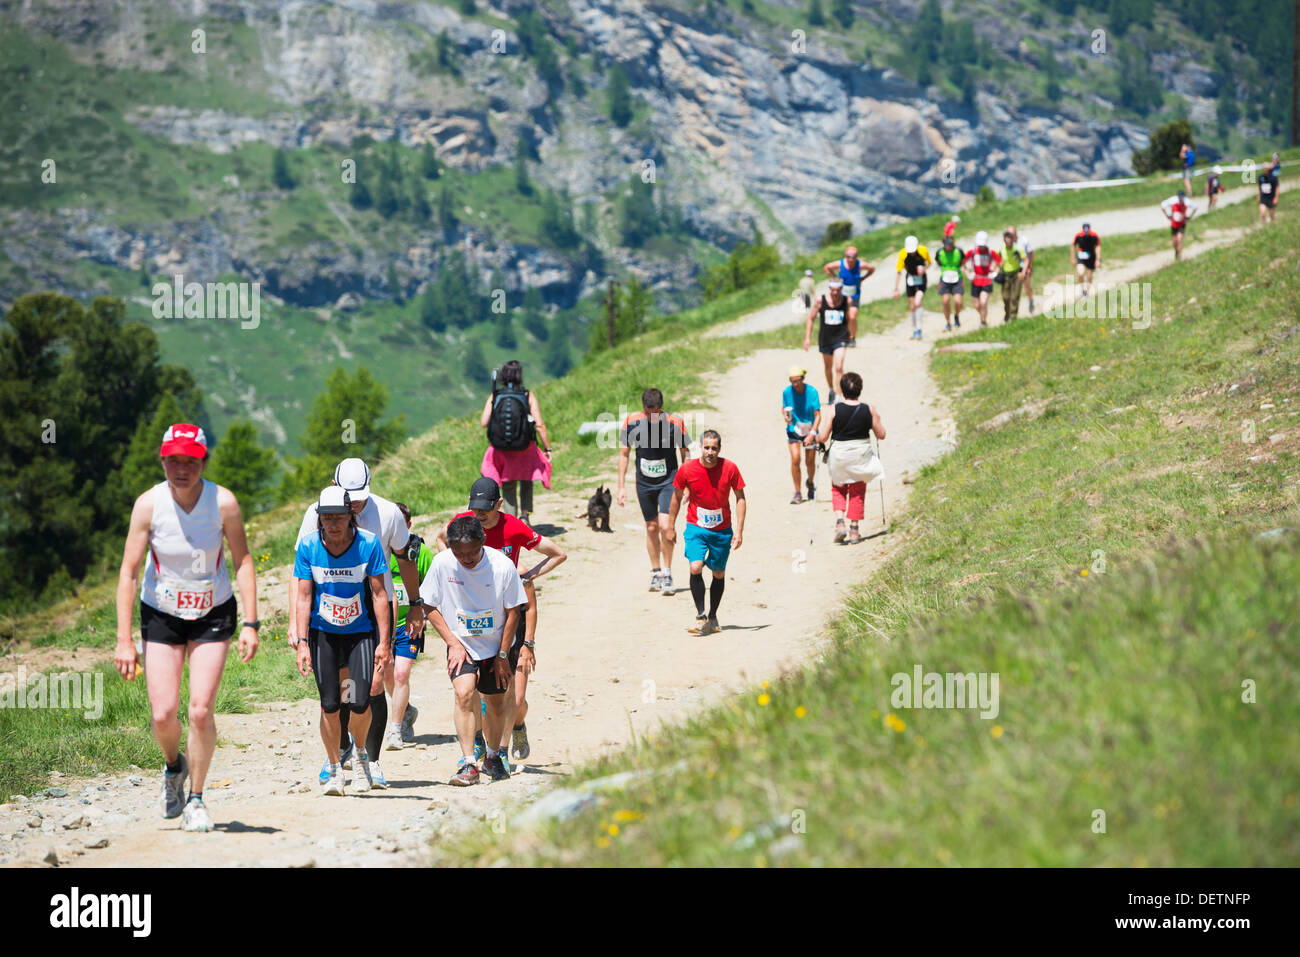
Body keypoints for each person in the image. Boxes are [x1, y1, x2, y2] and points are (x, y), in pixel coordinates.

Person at [114, 424, 260, 832]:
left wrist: (251, 622)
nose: (181, 469)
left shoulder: (223, 502)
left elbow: (244, 560)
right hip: (161, 613)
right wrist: (124, 640)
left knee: (199, 710)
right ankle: (173, 767)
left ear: (203, 463)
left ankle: (196, 798)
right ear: (162, 461)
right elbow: (127, 573)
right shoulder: (148, 505)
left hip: (213, 610)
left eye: (190, 461)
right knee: (163, 714)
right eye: (173, 460)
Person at [291, 458, 425, 790]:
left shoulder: (387, 515)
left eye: (359, 499)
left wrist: (414, 604)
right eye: (329, 517)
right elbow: (301, 581)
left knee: (369, 690)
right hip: (327, 611)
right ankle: (336, 757)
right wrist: (298, 630)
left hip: (369, 600)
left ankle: (370, 759)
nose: (356, 504)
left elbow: (403, 560)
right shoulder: (314, 517)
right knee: (334, 697)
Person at [435, 478, 567, 766]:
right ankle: (485, 748)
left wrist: (527, 576)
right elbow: (442, 540)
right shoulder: (464, 524)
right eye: (475, 509)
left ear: (499, 504)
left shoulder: (514, 527)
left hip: (508, 615)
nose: (478, 516)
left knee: (512, 697)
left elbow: (559, 553)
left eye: (485, 510)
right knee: (472, 691)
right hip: (472, 619)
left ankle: (513, 731)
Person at [292, 487, 391, 796]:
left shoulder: (369, 544)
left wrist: (384, 644)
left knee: (360, 703)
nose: (332, 525)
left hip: (360, 633)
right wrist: (301, 642)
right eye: (326, 518)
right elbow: (303, 596)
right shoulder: (308, 547)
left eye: (338, 518)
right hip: (324, 634)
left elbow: (379, 595)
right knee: (330, 705)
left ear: (352, 516)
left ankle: (361, 756)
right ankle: (335, 767)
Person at [421, 516, 528, 785]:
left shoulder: (502, 566)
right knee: (464, 693)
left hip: (495, 644)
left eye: (472, 552)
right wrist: (452, 643)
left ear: (482, 542)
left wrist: (503, 655)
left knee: (493, 701)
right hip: (462, 644)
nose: (466, 558)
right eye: (459, 553)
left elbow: (514, 611)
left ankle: (493, 756)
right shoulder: (442, 563)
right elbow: (429, 605)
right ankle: (469, 763)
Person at [664, 430, 746, 636]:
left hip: (721, 531)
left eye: (714, 448)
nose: (710, 452)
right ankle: (700, 616)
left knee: (718, 572)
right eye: (707, 447)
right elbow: (676, 497)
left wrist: (739, 530)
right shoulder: (687, 469)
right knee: (695, 566)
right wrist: (671, 525)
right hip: (696, 527)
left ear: (720, 449)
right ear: (701, 447)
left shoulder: (730, 468)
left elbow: (740, 498)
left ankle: (713, 616)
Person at [616, 388, 692, 594]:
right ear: (643, 410)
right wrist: (621, 486)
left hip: (669, 481)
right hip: (644, 482)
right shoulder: (632, 422)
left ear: (661, 408)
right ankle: (656, 572)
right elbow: (624, 454)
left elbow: (685, 453)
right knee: (651, 527)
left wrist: (687, 484)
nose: (653, 417)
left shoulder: (675, 423)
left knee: (666, 527)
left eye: (656, 412)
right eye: (649, 413)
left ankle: (668, 573)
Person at [804, 373, 885, 545]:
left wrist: (816, 438)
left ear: (842, 389)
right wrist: (876, 421)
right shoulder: (869, 409)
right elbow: (881, 434)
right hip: (860, 455)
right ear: (860, 389)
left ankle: (840, 522)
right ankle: (854, 530)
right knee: (857, 490)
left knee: (838, 487)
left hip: (839, 455)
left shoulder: (834, 409)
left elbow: (824, 436)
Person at [383, 502, 434, 750]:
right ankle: (407, 710)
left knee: (401, 673)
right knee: (387, 673)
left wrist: (423, 612)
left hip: (408, 624)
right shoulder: (378, 548)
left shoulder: (419, 551)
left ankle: (396, 728)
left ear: (409, 526)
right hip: (383, 624)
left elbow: (436, 581)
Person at [481, 359, 552, 524]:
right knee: (527, 479)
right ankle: (525, 515)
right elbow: (539, 424)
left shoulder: (495, 395)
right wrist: (547, 448)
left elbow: (484, 422)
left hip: (501, 448)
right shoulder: (527, 395)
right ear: (520, 375)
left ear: (503, 376)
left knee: (508, 483)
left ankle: (511, 519)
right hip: (525, 447)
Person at [803, 278, 852, 403]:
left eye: (838, 290)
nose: (835, 292)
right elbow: (811, 319)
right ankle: (831, 389)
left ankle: (839, 397)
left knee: (839, 367)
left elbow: (850, 318)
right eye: (833, 290)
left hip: (841, 337)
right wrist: (807, 338)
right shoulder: (820, 301)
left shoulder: (847, 300)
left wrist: (852, 333)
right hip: (825, 339)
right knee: (828, 367)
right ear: (829, 288)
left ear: (841, 289)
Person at [782, 366, 822, 503]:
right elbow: (784, 408)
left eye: (798, 381)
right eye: (792, 381)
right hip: (794, 429)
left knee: (809, 462)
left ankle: (810, 483)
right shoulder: (787, 392)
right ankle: (797, 492)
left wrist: (812, 434)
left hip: (810, 428)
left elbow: (818, 415)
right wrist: (786, 417)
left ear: (803, 379)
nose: (795, 384)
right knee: (795, 458)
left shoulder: (812, 392)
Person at [823, 246, 875, 345]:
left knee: (852, 316)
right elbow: (827, 267)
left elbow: (872, 268)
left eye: (853, 257)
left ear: (856, 257)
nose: (851, 259)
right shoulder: (840, 264)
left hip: (855, 294)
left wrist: (863, 278)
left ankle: (852, 338)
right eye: (848, 257)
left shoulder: (860, 265)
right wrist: (835, 278)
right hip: (841, 295)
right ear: (845, 256)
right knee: (842, 316)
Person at [893, 235, 932, 340]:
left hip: (921, 279)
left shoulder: (923, 250)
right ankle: (915, 329)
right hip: (910, 279)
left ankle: (919, 329)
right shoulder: (902, 254)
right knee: (912, 306)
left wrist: (923, 269)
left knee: (918, 302)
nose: (911, 253)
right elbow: (899, 271)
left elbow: (929, 263)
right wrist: (896, 289)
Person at [962, 230, 1001, 327]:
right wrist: (968, 274)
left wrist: (995, 273)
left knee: (983, 302)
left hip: (987, 280)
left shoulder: (991, 252)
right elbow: (962, 263)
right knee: (977, 305)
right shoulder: (972, 252)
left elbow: (1000, 262)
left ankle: (983, 322)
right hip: (975, 281)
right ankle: (983, 317)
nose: (981, 246)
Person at [934, 235, 965, 332]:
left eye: (950, 244)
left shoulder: (958, 251)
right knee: (945, 301)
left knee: (958, 301)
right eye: (947, 244)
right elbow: (937, 262)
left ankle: (956, 315)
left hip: (957, 278)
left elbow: (962, 262)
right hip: (945, 279)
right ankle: (948, 322)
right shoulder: (940, 252)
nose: (949, 246)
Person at [999, 229, 1028, 322]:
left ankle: (1013, 316)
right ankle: (1007, 313)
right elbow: (999, 260)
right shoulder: (1002, 249)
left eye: (1010, 239)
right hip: (1006, 275)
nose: (1008, 241)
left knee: (1015, 296)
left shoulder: (1017, 249)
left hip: (1016, 274)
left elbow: (1025, 260)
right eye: (1006, 239)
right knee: (1005, 296)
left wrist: (1023, 272)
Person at [1161, 190, 1198, 259]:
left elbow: (1195, 207)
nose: (1181, 199)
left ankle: (1179, 256)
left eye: (1182, 198)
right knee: (1174, 242)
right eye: (1180, 197)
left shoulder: (1187, 201)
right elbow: (1162, 206)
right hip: (1174, 223)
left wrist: (1189, 217)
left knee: (1179, 239)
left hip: (1182, 223)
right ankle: (1176, 252)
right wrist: (1167, 215)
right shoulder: (1172, 200)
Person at [1007, 226, 1034, 314]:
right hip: (1014, 268)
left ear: (1015, 233)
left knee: (1027, 287)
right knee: (1013, 290)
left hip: (1024, 267)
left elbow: (1031, 253)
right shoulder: (1008, 243)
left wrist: (1030, 267)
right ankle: (1013, 309)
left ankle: (1030, 300)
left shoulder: (1023, 241)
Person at [1072, 223, 1101, 297]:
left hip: (1091, 257)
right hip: (1081, 256)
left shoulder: (1094, 236)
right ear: (1083, 231)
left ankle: (1087, 292)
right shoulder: (1078, 235)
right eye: (1085, 233)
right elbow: (1073, 245)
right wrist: (1072, 258)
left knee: (1089, 276)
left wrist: (1098, 259)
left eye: (1087, 233)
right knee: (1080, 273)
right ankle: (1082, 290)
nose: (1086, 234)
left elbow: (1098, 246)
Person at [1259, 158, 1280, 224]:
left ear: (1268, 169)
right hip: (1263, 197)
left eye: (1265, 168)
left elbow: (1277, 187)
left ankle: (1273, 226)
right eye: (1263, 168)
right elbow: (1259, 187)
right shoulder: (1260, 177)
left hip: (1271, 197)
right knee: (1263, 213)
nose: (1264, 170)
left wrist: (1276, 198)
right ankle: (1264, 226)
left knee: (1271, 215)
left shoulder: (1273, 178)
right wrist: (1259, 196)